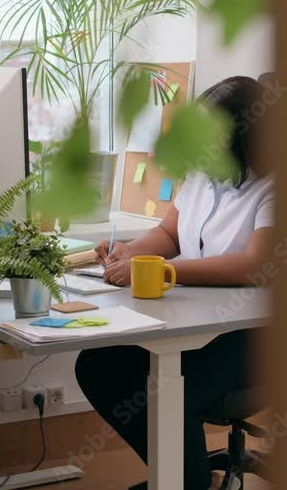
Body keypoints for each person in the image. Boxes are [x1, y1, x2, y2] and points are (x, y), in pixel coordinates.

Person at [74, 76, 275, 490]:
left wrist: (165, 272)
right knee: (98, 366)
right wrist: (130, 253)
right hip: (196, 326)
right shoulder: (202, 175)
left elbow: (255, 265)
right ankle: (188, 479)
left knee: (166, 391)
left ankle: (186, 482)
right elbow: (169, 233)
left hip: (254, 338)